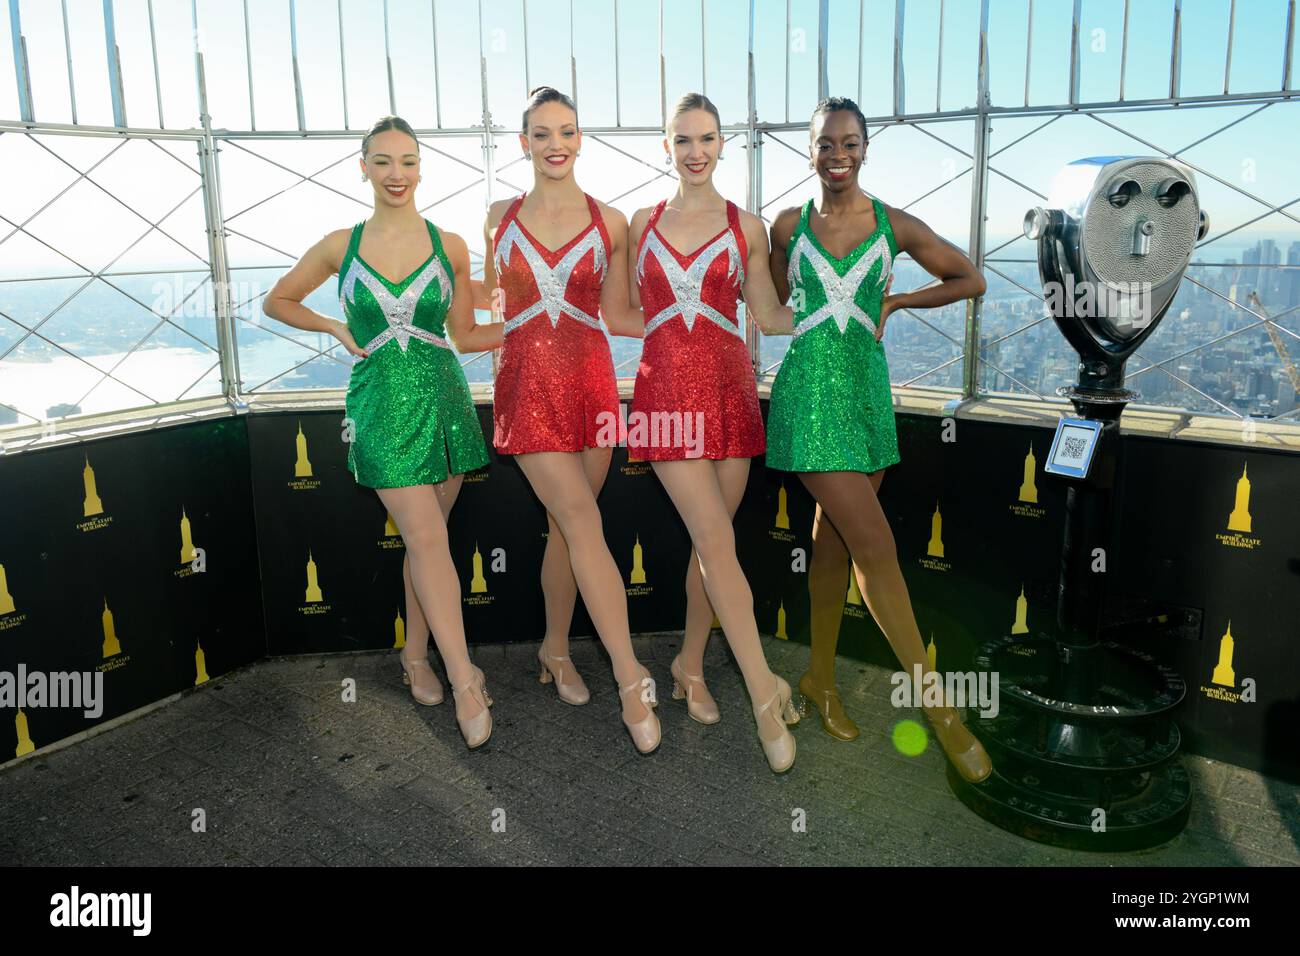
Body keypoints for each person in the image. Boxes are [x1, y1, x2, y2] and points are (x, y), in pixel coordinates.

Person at [766, 97, 992, 782]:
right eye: (825, 144)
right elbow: (782, 307)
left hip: (866, 399)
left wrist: (893, 302)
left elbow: (969, 277)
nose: (838, 156)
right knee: (877, 550)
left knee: (832, 546)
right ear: (808, 149)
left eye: (850, 144)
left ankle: (820, 681)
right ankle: (941, 714)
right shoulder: (785, 225)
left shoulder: (892, 224)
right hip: (808, 401)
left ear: (866, 149)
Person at [263, 115, 501, 749]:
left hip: (445, 402)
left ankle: (415, 655)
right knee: (427, 539)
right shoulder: (338, 245)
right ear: (362, 167)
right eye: (384, 161)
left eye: (409, 161)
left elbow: (467, 331)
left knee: (430, 546)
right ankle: (465, 680)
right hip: (378, 410)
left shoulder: (449, 244)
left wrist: (532, 329)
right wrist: (335, 328)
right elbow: (275, 301)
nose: (398, 174)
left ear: (422, 168)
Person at [477, 87, 660, 754]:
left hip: (593, 390)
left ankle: (554, 651)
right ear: (522, 141)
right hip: (526, 388)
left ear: (581, 139)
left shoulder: (611, 221)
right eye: (542, 131)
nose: (557, 142)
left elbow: (617, 315)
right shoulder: (498, 215)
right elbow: (496, 311)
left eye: (568, 130)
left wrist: (696, 331)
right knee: (584, 521)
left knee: (563, 528)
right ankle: (631, 676)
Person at [623, 92, 800, 772]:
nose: (695, 151)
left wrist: (844, 301)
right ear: (665, 146)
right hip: (667, 400)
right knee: (718, 541)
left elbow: (770, 316)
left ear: (723, 143)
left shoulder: (746, 228)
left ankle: (690, 665)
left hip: (730, 398)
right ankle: (763, 694)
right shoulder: (640, 224)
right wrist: (672, 339)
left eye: (706, 138)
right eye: (682, 140)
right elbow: (618, 310)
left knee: (710, 549)